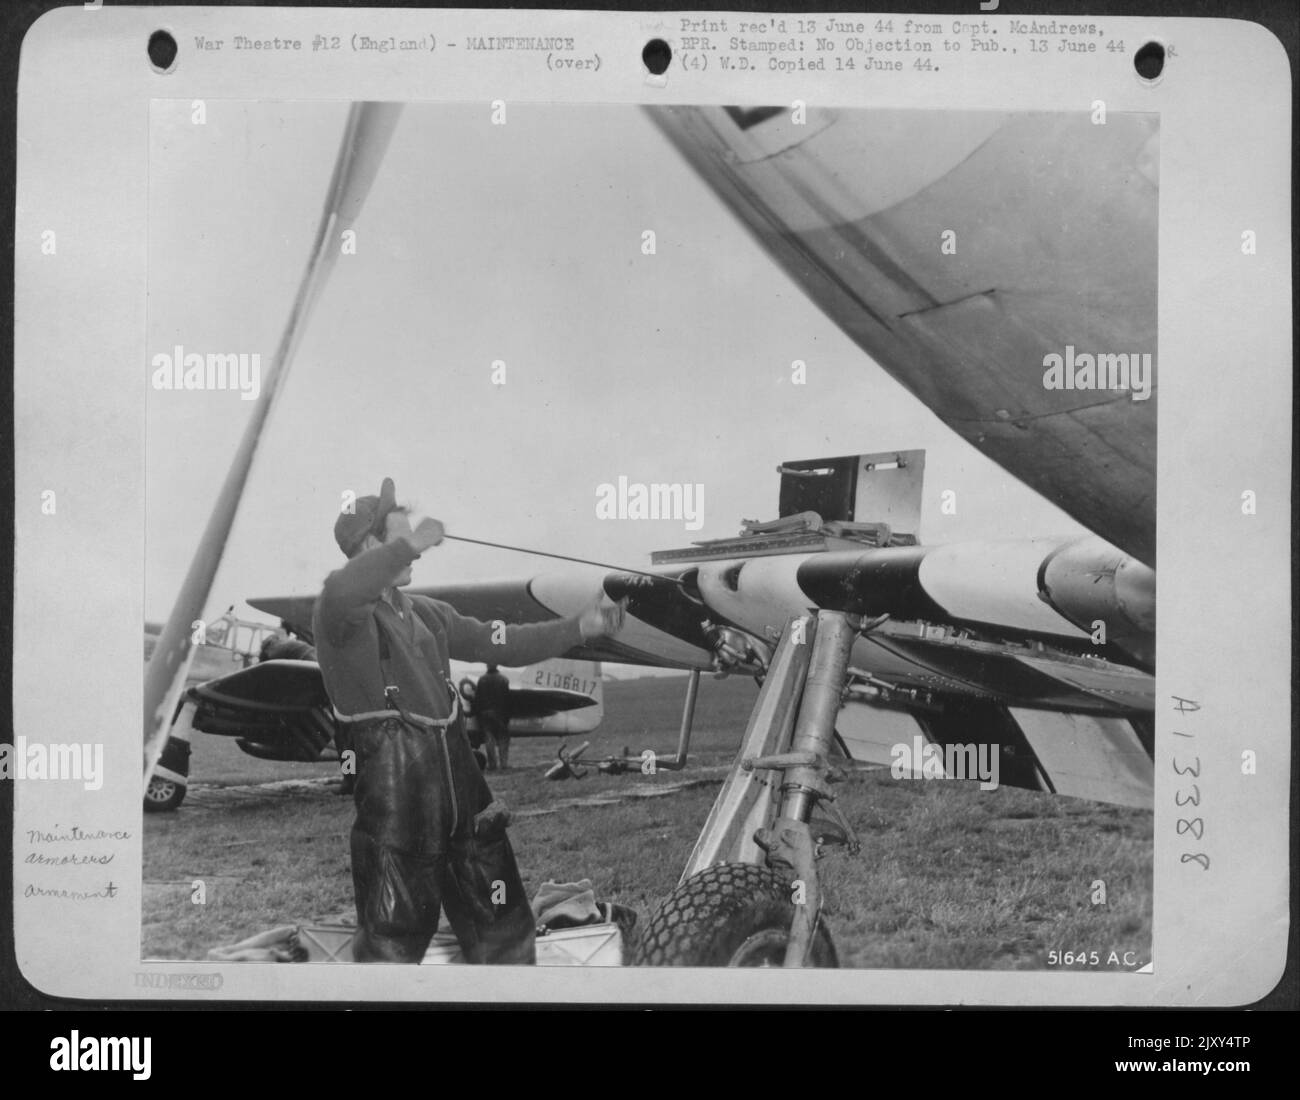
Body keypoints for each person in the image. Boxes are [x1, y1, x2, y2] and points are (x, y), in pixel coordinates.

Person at [312, 477, 623, 964]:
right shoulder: (341, 618)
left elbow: (501, 641)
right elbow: (343, 587)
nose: (415, 555)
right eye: (401, 543)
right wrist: (410, 543)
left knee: (505, 927)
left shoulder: (430, 614)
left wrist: (579, 627)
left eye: (414, 544)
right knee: (392, 942)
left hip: (467, 799)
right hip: (399, 807)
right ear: (369, 547)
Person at [474, 664, 512, 771]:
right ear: (496, 666)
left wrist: (478, 715)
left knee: (489, 739)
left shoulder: (482, 680)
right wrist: (507, 717)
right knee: (503, 738)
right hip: (500, 713)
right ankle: (504, 765)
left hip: (485, 714)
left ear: (487, 666)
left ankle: (492, 765)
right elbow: (507, 699)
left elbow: (478, 699)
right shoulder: (503, 679)